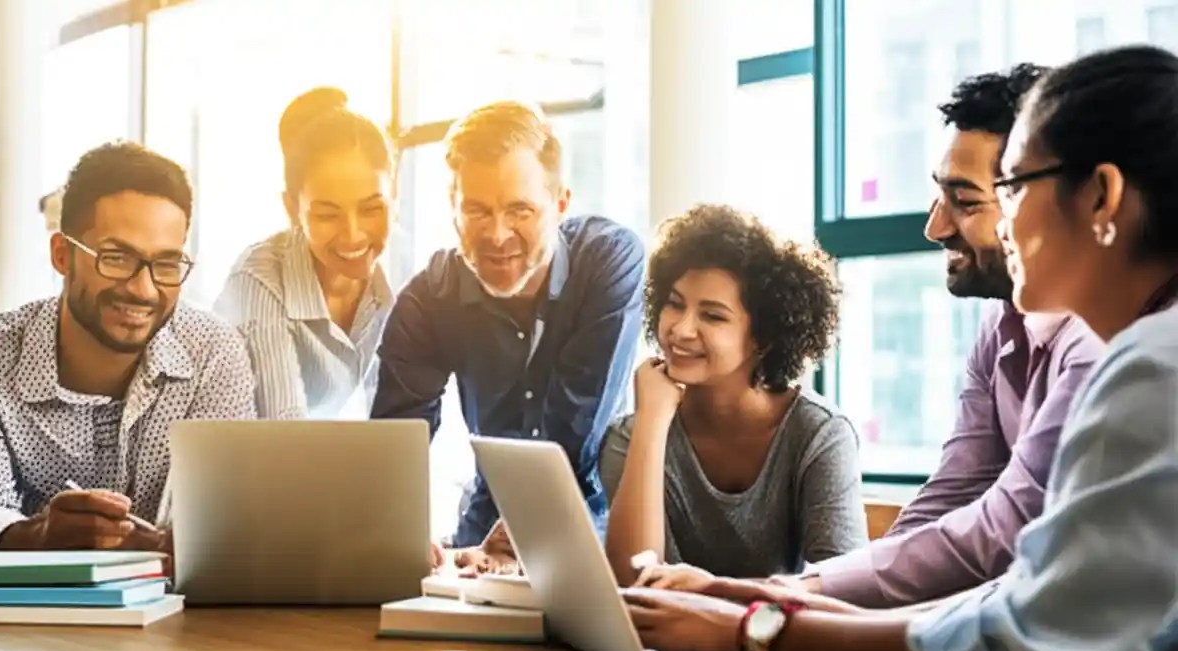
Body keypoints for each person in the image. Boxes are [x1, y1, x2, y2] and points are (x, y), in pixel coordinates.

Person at [621, 45, 1178, 651]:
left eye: (1011, 187)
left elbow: (1017, 643)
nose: (938, 226)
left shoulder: (1153, 369)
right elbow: (987, 550)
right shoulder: (1085, 342)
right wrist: (779, 602)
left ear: (1101, 197)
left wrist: (759, 628)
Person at [641, 64, 1104, 608]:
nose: (935, 227)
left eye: (966, 201)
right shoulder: (1000, 327)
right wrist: (792, 602)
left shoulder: (1098, 343)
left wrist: (768, 604)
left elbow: (1000, 529)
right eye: (939, 195)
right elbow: (951, 496)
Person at [0, 141, 256, 564]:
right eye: (116, 258)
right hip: (20, 606)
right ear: (62, 255)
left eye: (166, 264)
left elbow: (226, 524)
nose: (143, 290)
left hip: (175, 605)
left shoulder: (213, 352)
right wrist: (39, 535)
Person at [372, 101, 645, 549]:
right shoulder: (430, 297)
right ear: (453, 208)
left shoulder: (607, 263)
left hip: (594, 528)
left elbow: (572, 436)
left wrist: (517, 535)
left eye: (520, 210)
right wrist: (401, 537)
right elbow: (392, 450)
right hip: (484, 533)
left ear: (560, 204)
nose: (498, 235)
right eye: (478, 210)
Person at [600, 204, 865, 586]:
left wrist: (714, 592)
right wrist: (652, 424)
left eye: (713, 316)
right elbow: (630, 582)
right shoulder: (631, 436)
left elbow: (844, 587)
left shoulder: (817, 434)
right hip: (664, 628)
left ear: (763, 338)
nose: (681, 330)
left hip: (771, 625)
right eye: (675, 304)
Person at [216, 88, 394, 419]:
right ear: (291, 209)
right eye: (327, 215)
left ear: (393, 196)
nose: (353, 234)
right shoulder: (259, 281)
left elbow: (391, 419)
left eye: (371, 209)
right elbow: (285, 429)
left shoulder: (388, 292)